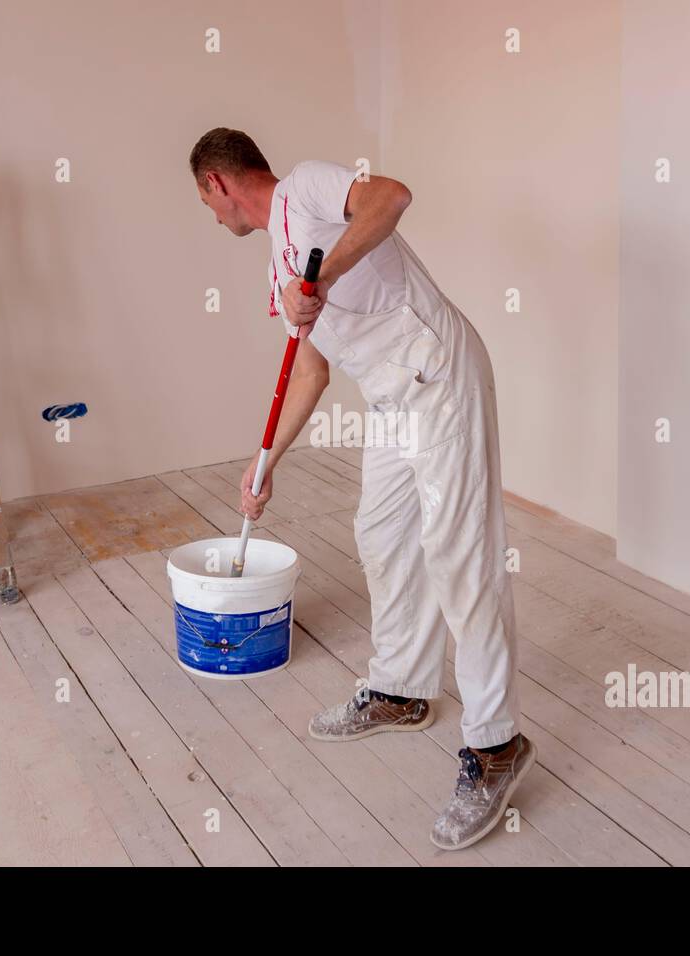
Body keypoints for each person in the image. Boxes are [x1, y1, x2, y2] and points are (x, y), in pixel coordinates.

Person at [189, 127, 533, 851]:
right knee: (380, 536)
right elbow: (310, 371)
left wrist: (324, 276)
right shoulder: (275, 259)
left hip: (438, 377)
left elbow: (391, 197)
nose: (210, 215)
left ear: (218, 183)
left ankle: (497, 745)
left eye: (204, 200)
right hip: (389, 401)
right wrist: (268, 462)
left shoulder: (306, 187)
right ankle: (403, 689)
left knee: (458, 555)